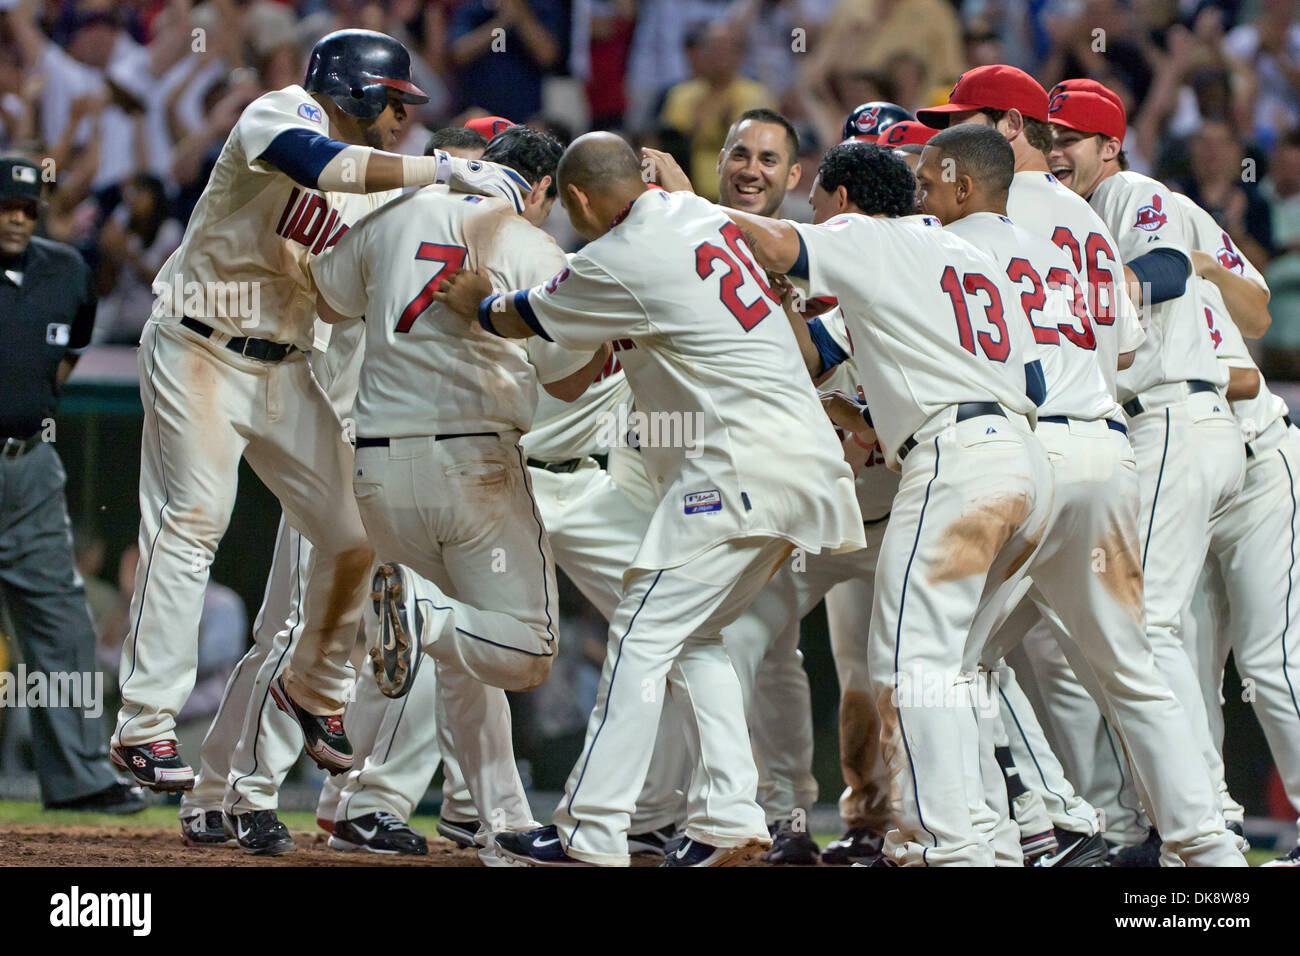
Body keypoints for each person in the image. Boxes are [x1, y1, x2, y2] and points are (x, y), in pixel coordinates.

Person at [109, 29, 532, 794]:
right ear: (359, 92)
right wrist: (445, 166)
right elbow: (323, 162)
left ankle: (311, 688)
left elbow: (360, 272)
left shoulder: (376, 185)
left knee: (353, 532)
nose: (403, 119)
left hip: (285, 362)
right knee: (194, 520)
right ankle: (144, 724)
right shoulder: (282, 111)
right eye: (395, 103)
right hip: (198, 345)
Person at [435, 131, 865, 866]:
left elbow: (523, 320)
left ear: (575, 199)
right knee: (693, 638)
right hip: (802, 468)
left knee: (638, 633)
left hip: (736, 468)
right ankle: (731, 814)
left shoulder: (617, 255)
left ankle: (591, 828)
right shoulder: (700, 215)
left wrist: (481, 303)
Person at [917, 123, 1246, 867]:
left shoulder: (978, 228)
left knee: (944, 658)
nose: (926, 179)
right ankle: (1204, 845)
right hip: (1107, 442)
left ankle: (986, 842)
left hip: (1041, 451)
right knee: (1127, 660)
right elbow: (1123, 343)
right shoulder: (1081, 220)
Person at [727, 140, 1054, 865]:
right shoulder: (967, 256)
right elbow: (1034, 385)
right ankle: (995, 838)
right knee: (962, 669)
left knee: (913, 667)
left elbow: (779, 241)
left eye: (818, 200)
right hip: (1028, 461)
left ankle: (948, 845)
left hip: (954, 461)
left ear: (842, 201)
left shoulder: (865, 234)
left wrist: (674, 210)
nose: (814, 211)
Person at [1048, 87, 1249, 859]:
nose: (1060, 147)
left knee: (1148, 627)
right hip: (1151, 432)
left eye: (1077, 136)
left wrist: (1095, 296)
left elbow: (1165, 267)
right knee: (1148, 632)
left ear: (1113, 148)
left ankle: (1201, 821)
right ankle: (1165, 816)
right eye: (1051, 134)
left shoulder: (1131, 192)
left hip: (1171, 418)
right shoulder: (1066, 214)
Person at [0, 155, 143, 815]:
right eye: (6, 206)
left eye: (27, 208)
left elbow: (68, 354)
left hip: (28, 468)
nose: (17, 218)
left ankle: (81, 777)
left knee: (64, 624)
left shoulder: (66, 271)